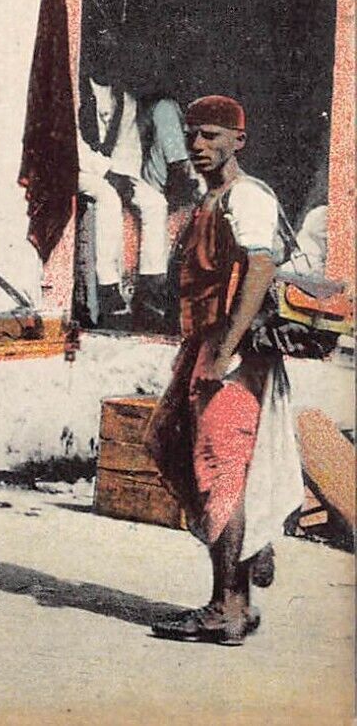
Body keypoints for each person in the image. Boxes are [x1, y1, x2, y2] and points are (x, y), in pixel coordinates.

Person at [147, 95, 303, 646]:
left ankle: (228, 607)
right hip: (205, 345)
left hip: (233, 355)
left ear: (239, 139)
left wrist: (227, 346)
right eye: (193, 135)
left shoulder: (248, 197)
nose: (197, 146)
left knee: (219, 475)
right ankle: (251, 550)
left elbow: (260, 265)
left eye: (211, 136)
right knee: (166, 442)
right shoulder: (208, 199)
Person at [77, 46, 172, 328]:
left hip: (114, 170)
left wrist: (126, 178)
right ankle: (108, 287)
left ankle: (150, 286)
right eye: (102, 49)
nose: (108, 57)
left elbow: (128, 148)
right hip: (79, 168)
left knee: (156, 202)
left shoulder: (124, 99)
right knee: (107, 197)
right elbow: (74, 144)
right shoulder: (77, 91)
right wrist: (109, 174)